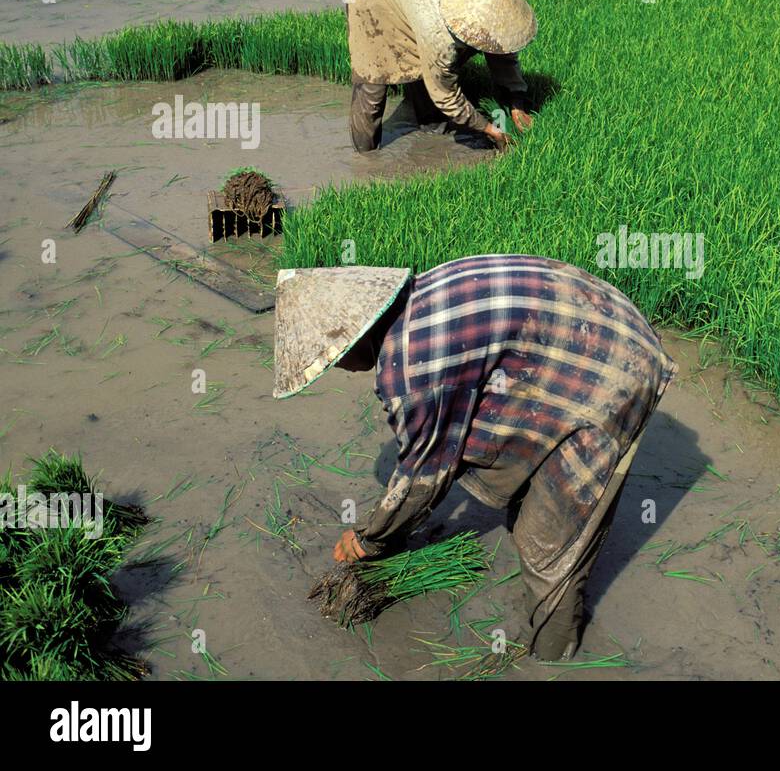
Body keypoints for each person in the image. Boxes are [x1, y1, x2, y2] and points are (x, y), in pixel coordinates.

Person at [273, 255, 676, 660]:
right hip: (595, 318)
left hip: (615, 366)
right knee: (517, 489)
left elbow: (423, 476)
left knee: (549, 552)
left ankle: (554, 657)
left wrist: (371, 539)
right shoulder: (421, 297)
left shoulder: (408, 368)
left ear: (354, 337)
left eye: (333, 359)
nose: (340, 368)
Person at [342, 0, 537, 153]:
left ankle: (430, 130)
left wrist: (516, 102)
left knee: (420, 62)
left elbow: (501, 54)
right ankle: (365, 158)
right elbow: (446, 96)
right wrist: (491, 130)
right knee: (373, 77)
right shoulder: (438, 37)